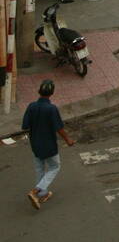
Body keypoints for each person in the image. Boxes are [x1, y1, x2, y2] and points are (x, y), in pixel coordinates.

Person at [22, 79, 75, 210]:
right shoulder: (51, 109)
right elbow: (59, 128)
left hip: (35, 144)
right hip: (49, 145)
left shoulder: (31, 106)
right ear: (52, 93)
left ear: (39, 91)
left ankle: (42, 194)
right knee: (55, 167)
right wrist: (68, 139)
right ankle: (36, 191)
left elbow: (25, 126)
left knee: (40, 168)